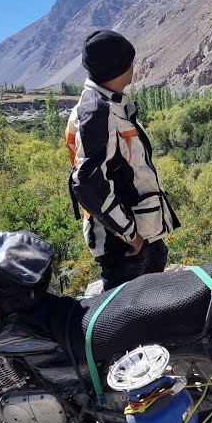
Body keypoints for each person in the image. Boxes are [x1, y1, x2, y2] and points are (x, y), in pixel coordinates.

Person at [65, 29, 179, 291]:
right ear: (119, 67)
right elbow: (87, 182)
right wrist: (129, 233)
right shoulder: (97, 112)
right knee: (129, 313)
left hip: (141, 234)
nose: (133, 67)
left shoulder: (112, 104)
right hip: (124, 245)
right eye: (130, 61)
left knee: (155, 305)